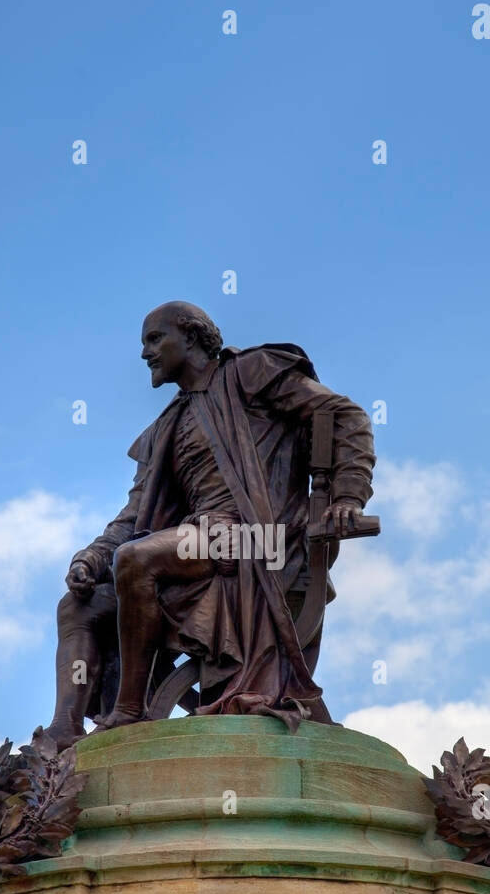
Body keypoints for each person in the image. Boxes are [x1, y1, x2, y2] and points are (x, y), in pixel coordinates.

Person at [43, 302, 375, 745]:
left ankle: (128, 711)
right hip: (197, 547)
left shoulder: (251, 370)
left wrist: (348, 496)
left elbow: (342, 416)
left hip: (257, 540)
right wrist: (93, 556)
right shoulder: (165, 428)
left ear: (193, 336)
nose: (145, 353)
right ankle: (62, 733)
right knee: (79, 605)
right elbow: (133, 514)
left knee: (137, 559)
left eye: (154, 338)